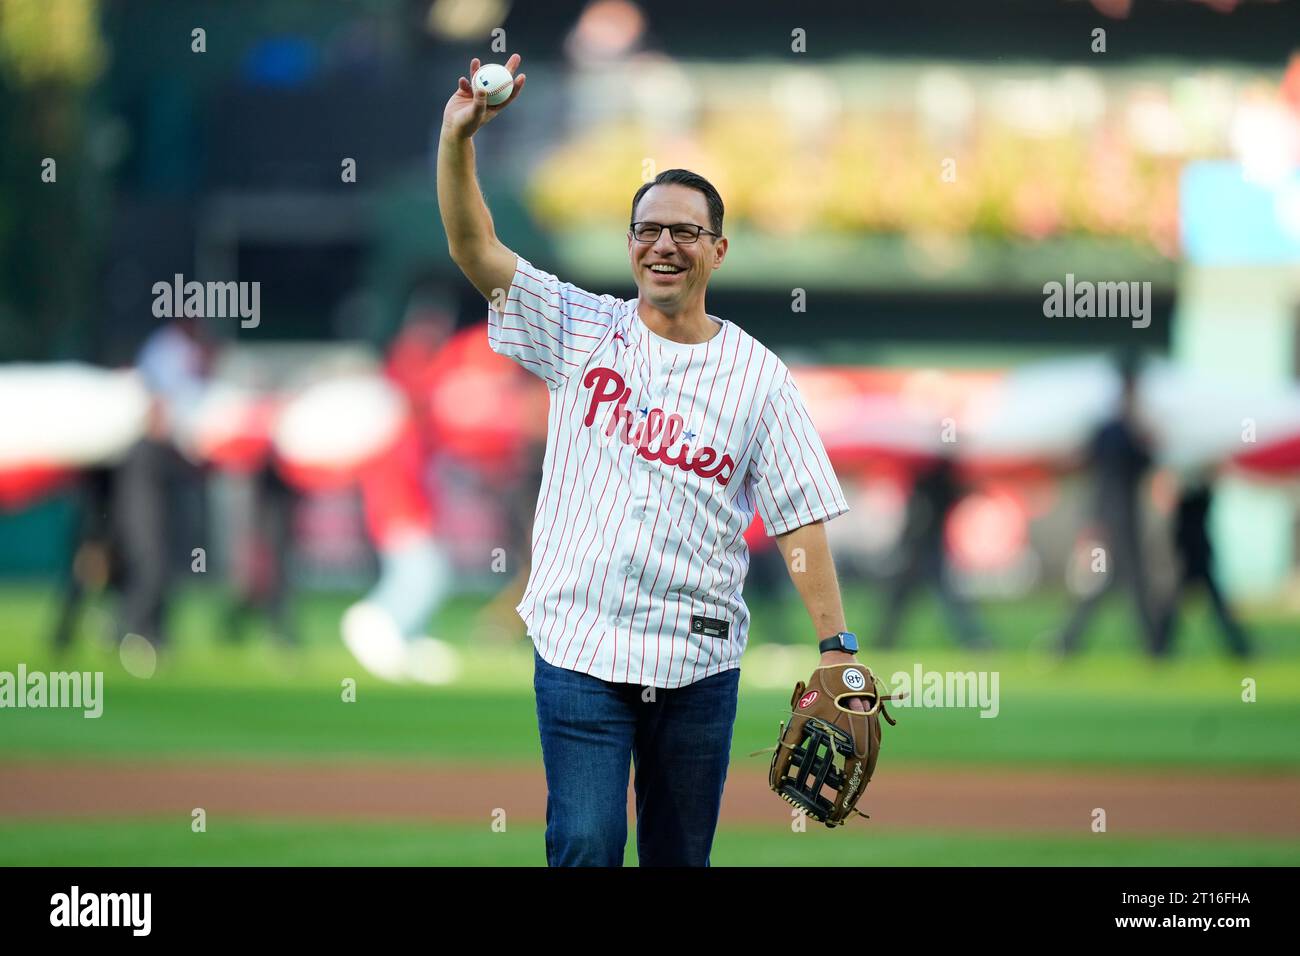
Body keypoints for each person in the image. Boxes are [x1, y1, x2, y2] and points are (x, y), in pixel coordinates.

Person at [438, 55, 865, 867]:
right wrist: (457, 139)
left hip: (696, 658)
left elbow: (799, 519)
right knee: (587, 842)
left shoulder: (759, 378)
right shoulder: (580, 327)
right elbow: (473, 245)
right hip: (581, 645)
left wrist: (837, 651)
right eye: (647, 230)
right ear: (630, 244)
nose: (663, 245)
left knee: (678, 860)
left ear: (719, 249)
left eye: (684, 232)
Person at [1058, 357, 1161, 655]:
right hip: (1115, 519)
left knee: (1114, 583)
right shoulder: (1116, 431)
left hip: (1117, 517)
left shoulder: (1115, 429)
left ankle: (1067, 643)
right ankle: (1154, 645)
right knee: (1128, 581)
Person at [875, 454, 990, 650]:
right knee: (942, 601)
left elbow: (920, 517)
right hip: (924, 551)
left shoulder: (932, 478)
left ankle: (884, 642)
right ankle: (973, 640)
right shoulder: (937, 476)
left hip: (922, 552)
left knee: (916, 600)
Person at [1155, 474, 1251, 658]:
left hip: (1195, 556)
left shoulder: (1201, 493)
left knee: (1212, 608)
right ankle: (1159, 648)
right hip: (1184, 556)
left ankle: (1159, 648)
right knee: (1173, 606)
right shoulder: (1183, 492)